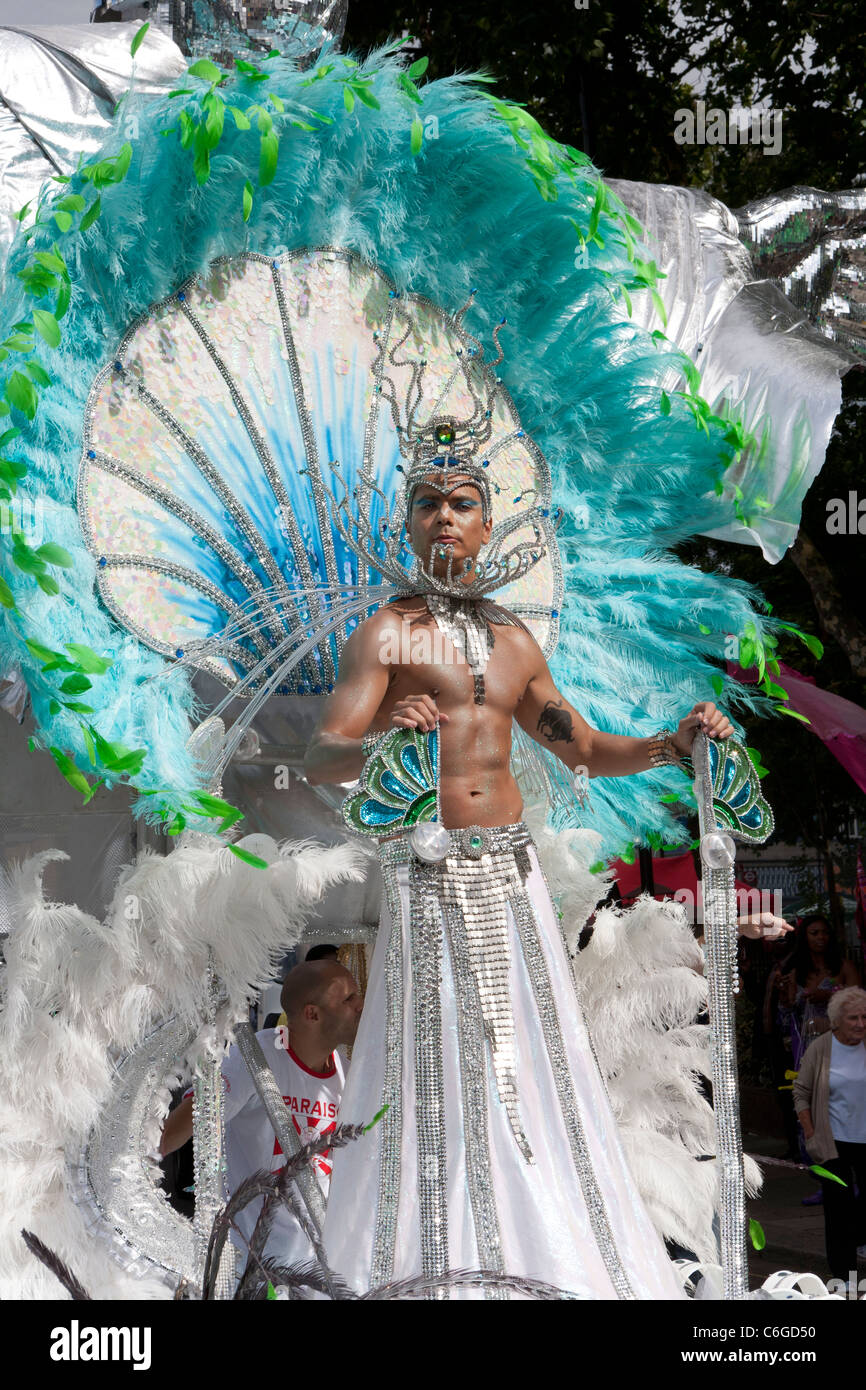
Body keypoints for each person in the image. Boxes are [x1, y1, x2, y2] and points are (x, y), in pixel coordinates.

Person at [305, 450, 735, 1300]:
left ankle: (538, 1243)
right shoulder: (385, 632)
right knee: (431, 1061)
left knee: (529, 1060)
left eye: (462, 503)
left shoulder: (513, 639)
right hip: (427, 877)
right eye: (427, 503)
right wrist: (385, 726)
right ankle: (433, 1254)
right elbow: (321, 753)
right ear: (409, 523)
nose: (444, 517)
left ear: (486, 524)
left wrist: (669, 745)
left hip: (511, 877)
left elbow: (579, 744)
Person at [161, 958, 362, 1272]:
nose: (360, 1005)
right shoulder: (253, 1059)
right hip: (251, 1268)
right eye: (348, 998)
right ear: (312, 1014)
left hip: (323, 1269)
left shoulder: (349, 1074)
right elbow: (173, 1133)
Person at [793, 986, 866, 1282]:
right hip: (832, 1141)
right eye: (853, 1018)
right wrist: (810, 1132)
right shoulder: (821, 1048)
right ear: (837, 1020)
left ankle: (855, 1239)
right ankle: (845, 1277)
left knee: (856, 1210)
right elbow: (801, 1093)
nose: (860, 1024)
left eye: (864, 1017)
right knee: (838, 1209)